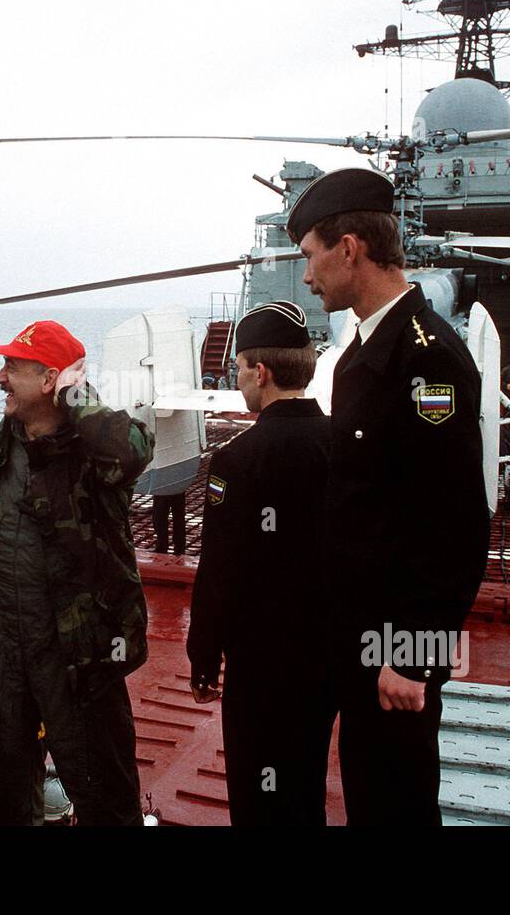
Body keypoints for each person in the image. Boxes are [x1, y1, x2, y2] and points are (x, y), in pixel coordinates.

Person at [290, 168, 489, 826]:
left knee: (394, 806)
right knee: (369, 795)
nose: (307, 276)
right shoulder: (366, 350)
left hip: (393, 651)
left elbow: (455, 522)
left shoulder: (428, 358)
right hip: (357, 635)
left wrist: (413, 655)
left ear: (349, 248)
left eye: (311, 256)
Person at [0, 320, 154, 825]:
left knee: (103, 792)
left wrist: (77, 395)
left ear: (51, 379)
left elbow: (131, 452)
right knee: (10, 778)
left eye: (12, 367)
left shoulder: (96, 451)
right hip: (7, 644)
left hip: (79, 654)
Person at [186, 301, 333, 825]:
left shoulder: (236, 459)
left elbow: (220, 568)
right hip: (327, 657)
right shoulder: (344, 444)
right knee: (307, 780)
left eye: (240, 368)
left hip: (262, 662)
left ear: (261, 372)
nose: (238, 378)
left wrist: (204, 656)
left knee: (258, 792)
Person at [150, 491, 186, 556]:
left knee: (159, 516)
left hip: (162, 489)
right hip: (178, 488)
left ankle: (162, 545)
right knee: (179, 517)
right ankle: (179, 546)